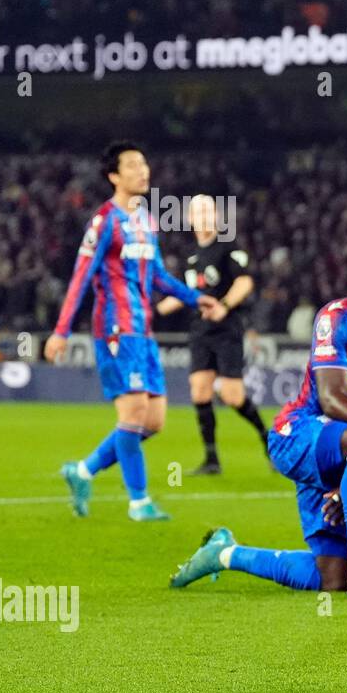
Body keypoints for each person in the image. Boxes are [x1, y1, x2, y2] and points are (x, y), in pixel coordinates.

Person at [169, 237, 347, 601]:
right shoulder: (338, 317)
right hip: (296, 434)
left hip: (345, 456)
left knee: (329, 578)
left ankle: (224, 553)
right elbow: (331, 400)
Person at [45, 142, 226, 521]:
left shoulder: (145, 218)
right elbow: (82, 276)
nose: (143, 171)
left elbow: (157, 274)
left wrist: (196, 299)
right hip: (115, 328)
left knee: (154, 420)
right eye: (132, 165)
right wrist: (61, 330)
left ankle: (82, 471)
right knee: (132, 414)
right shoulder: (104, 221)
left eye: (144, 163)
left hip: (142, 329)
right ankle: (139, 501)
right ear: (114, 176)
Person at [156, 194, 269, 474]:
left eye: (208, 210)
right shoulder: (193, 257)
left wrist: (224, 306)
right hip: (200, 331)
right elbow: (187, 293)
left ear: (217, 217)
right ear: (190, 219)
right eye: (198, 211)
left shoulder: (228, 247)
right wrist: (155, 310)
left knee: (232, 396)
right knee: (200, 389)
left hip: (226, 330)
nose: (204, 216)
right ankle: (211, 459)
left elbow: (244, 282)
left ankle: (268, 439)